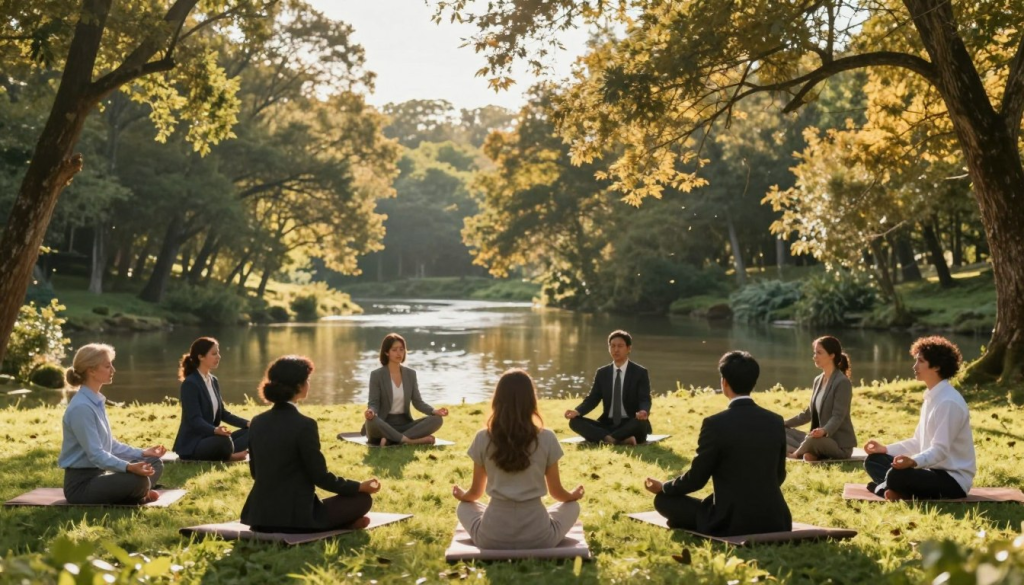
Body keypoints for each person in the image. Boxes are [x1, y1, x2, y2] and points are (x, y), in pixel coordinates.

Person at [645, 351, 791, 536]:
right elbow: (779, 475)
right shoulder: (775, 421)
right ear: (754, 382)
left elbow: (696, 479)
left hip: (731, 521)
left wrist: (664, 487)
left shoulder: (715, 424)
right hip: (775, 519)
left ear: (724, 382)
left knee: (663, 501)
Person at [241, 355, 381, 532]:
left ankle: (348, 523)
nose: (309, 384)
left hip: (260, 517)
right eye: (307, 380)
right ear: (299, 386)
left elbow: (255, 473)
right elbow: (320, 477)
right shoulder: (305, 425)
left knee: (338, 504)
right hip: (297, 519)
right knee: (362, 499)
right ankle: (344, 523)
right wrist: (359, 486)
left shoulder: (257, 422)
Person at [452, 369, 584, 549]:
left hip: (491, 537)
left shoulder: (482, 437)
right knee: (572, 506)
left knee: (464, 507)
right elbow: (557, 494)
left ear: (497, 400)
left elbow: (475, 494)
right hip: (540, 537)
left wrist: (462, 495)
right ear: (531, 401)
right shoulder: (547, 437)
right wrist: (573, 495)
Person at [862, 336, 976, 501]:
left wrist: (912, 462)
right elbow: (917, 442)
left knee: (896, 474)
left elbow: (940, 450)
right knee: (874, 461)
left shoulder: (948, 402)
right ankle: (894, 490)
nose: (914, 366)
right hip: (927, 470)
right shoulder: (931, 397)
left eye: (920, 361)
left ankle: (883, 488)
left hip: (951, 480)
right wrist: (885, 449)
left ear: (936, 366)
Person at [59, 343, 167, 505]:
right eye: (108, 366)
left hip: (101, 475)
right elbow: (96, 454)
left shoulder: (95, 401)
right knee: (139, 480)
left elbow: (111, 446)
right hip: (82, 485)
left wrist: (143, 453)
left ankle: (139, 492)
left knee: (153, 463)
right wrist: (129, 468)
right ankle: (140, 491)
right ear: (91, 370)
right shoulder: (81, 408)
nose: (113, 370)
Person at [564, 330, 652, 445]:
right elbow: (593, 399)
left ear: (629, 348)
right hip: (607, 424)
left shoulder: (640, 372)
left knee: (641, 423)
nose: (616, 349)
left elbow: (644, 398)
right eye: (613, 346)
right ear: (609, 348)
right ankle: (615, 439)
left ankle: (606, 438)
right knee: (574, 422)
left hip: (631, 423)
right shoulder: (602, 373)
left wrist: (643, 411)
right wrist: (577, 411)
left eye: (620, 346)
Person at [362, 333, 448, 446]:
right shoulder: (376, 375)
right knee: (372, 421)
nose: (399, 353)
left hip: (405, 425)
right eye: (394, 350)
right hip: (383, 424)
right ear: (386, 352)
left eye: (401, 349)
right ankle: (409, 441)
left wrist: (434, 411)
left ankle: (392, 439)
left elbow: (418, 402)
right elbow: (374, 403)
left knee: (437, 419)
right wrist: (371, 412)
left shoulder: (410, 374)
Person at [172, 337, 249, 462]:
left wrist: (248, 423)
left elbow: (223, 413)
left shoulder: (213, 381)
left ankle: (227, 452)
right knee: (223, 440)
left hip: (213, 439)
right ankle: (229, 456)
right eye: (214, 354)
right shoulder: (190, 384)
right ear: (201, 357)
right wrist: (214, 430)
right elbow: (194, 419)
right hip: (195, 444)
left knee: (252, 431)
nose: (218, 357)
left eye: (218, 353)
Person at [784, 335, 857, 462]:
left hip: (838, 444)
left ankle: (795, 454)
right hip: (816, 438)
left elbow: (838, 416)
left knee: (813, 440)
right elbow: (808, 414)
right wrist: (783, 423)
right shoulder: (818, 380)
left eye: (819, 353)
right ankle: (810, 453)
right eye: (814, 352)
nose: (814, 356)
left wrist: (823, 431)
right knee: (781, 431)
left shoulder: (842, 382)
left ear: (832, 355)